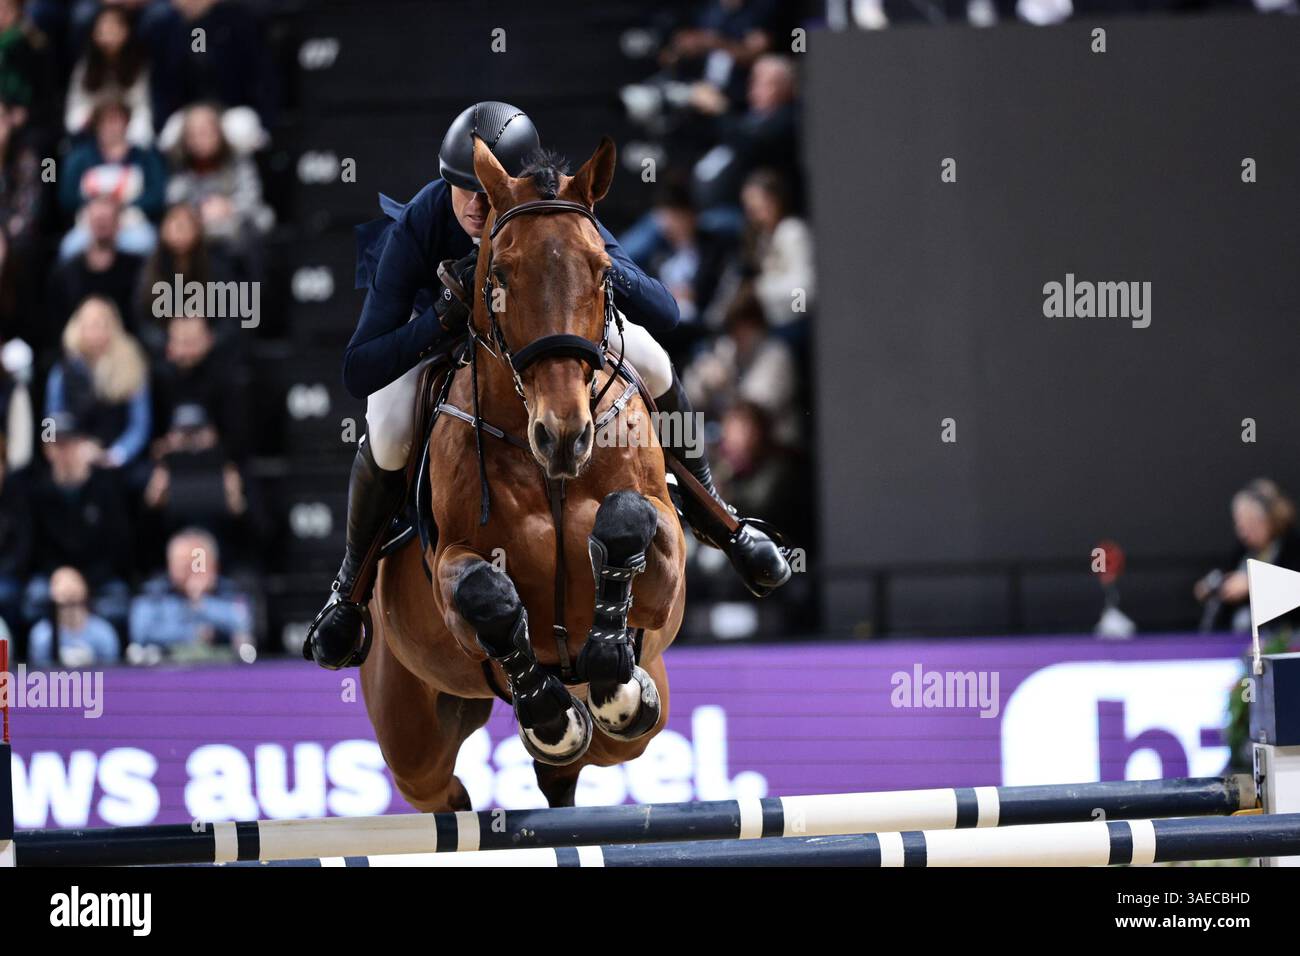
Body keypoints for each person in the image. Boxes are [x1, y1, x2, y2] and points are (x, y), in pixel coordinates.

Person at [304, 101, 791, 669]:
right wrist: (441, 316)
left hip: (548, 342)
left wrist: (599, 262)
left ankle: (717, 516)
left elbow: (665, 310)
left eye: (489, 191)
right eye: (464, 188)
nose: (476, 205)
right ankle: (349, 590)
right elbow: (358, 367)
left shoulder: (558, 205)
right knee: (386, 427)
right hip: (443, 341)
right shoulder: (423, 221)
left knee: (655, 362)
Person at [45, 295, 151, 478]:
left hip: (118, 455)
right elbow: (51, 418)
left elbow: (139, 425)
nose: (95, 332)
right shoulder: (63, 370)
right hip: (74, 452)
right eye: (89, 325)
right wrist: (57, 449)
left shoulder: (131, 365)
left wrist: (115, 455)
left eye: (101, 324)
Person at [58, 97, 167, 258]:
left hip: (132, 224)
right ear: (96, 125)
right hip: (89, 227)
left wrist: (121, 206)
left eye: (116, 120)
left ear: (127, 122)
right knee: (70, 247)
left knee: (147, 243)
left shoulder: (146, 156)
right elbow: (66, 197)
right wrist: (98, 207)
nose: (111, 127)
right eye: (105, 121)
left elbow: (157, 195)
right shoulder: (79, 157)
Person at [1195, 479, 1300, 633]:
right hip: (1234, 637)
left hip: (1281, 638)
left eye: (1251, 524)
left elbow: (1294, 589)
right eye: (1240, 525)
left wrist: (1253, 584)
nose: (1243, 532)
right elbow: (1225, 575)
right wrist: (1214, 585)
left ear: (1269, 520)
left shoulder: (1292, 548)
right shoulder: (1245, 550)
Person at [128, 526, 252, 653]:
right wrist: (192, 634)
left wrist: (201, 603)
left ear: (213, 565)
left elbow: (245, 628)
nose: (184, 571)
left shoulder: (230, 591)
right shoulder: (153, 594)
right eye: (179, 562)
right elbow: (141, 634)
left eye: (193, 563)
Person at [163, 102, 272, 246]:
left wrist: (229, 207)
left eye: (205, 132)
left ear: (219, 132)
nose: (199, 140)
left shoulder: (237, 161)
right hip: (196, 235)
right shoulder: (180, 167)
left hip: (237, 232)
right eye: (192, 134)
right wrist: (197, 213)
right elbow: (174, 201)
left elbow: (252, 197)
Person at [47, 196, 144, 341]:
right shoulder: (66, 272)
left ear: (119, 223)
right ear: (88, 222)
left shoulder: (136, 268)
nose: (102, 224)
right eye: (98, 219)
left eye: (107, 218)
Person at [64, 4, 153, 145]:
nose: (108, 32)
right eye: (103, 27)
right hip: (93, 132)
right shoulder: (86, 65)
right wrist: (91, 122)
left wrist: (129, 137)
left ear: (126, 31)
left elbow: (142, 109)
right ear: (94, 33)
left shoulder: (138, 65)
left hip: (129, 134)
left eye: (114, 27)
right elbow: (75, 110)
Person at [27, 565, 120, 667]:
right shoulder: (42, 633)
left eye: (73, 581)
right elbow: (40, 672)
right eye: (59, 583)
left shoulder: (103, 631)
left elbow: (112, 671)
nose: (67, 587)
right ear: (51, 592)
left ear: (85, 587)